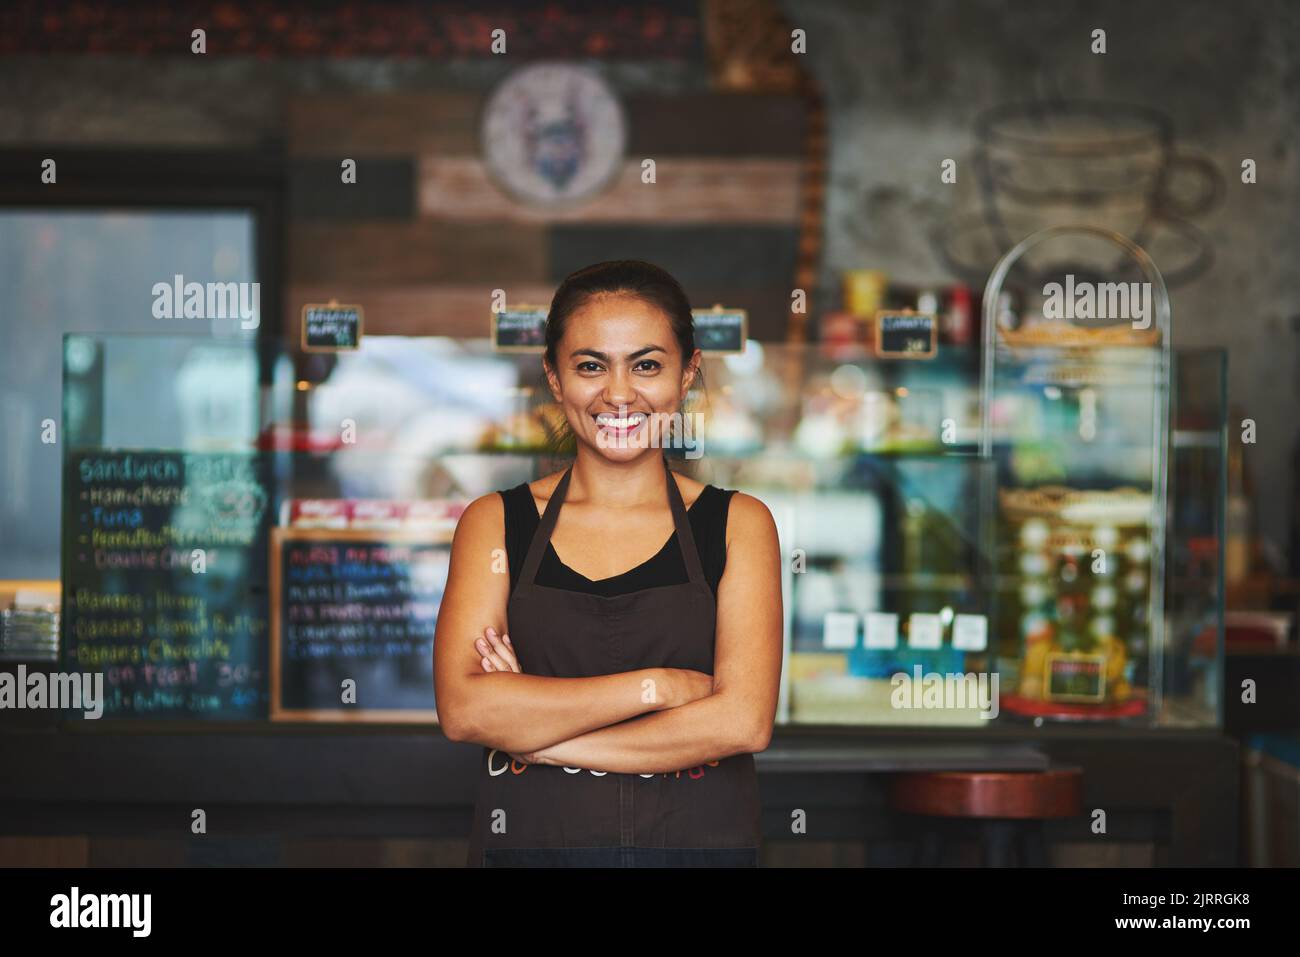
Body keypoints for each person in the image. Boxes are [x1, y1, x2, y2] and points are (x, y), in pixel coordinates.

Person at [434, 259, 783, 867]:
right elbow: (466, 713)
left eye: (646, 365)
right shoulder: (494, 523)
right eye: (590, 365)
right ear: (554, 377)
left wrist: (540, 736)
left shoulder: (739, 524)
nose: (618, 394)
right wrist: (663, 687)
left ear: (688, 373)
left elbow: (741, 724)